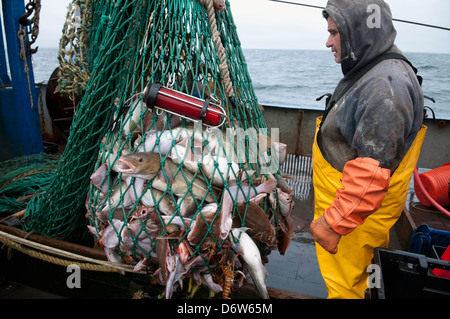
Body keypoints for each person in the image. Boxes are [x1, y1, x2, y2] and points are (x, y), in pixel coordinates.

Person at [309, 0, 427, 299]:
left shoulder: (385, 88)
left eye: (334, 33)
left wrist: (333, 224)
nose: (328, 42)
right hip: (354, 208)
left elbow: (371, 172)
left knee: (346, 285)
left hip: (353, 216)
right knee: (363, 277)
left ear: (357, 34)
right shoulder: (378, 68)